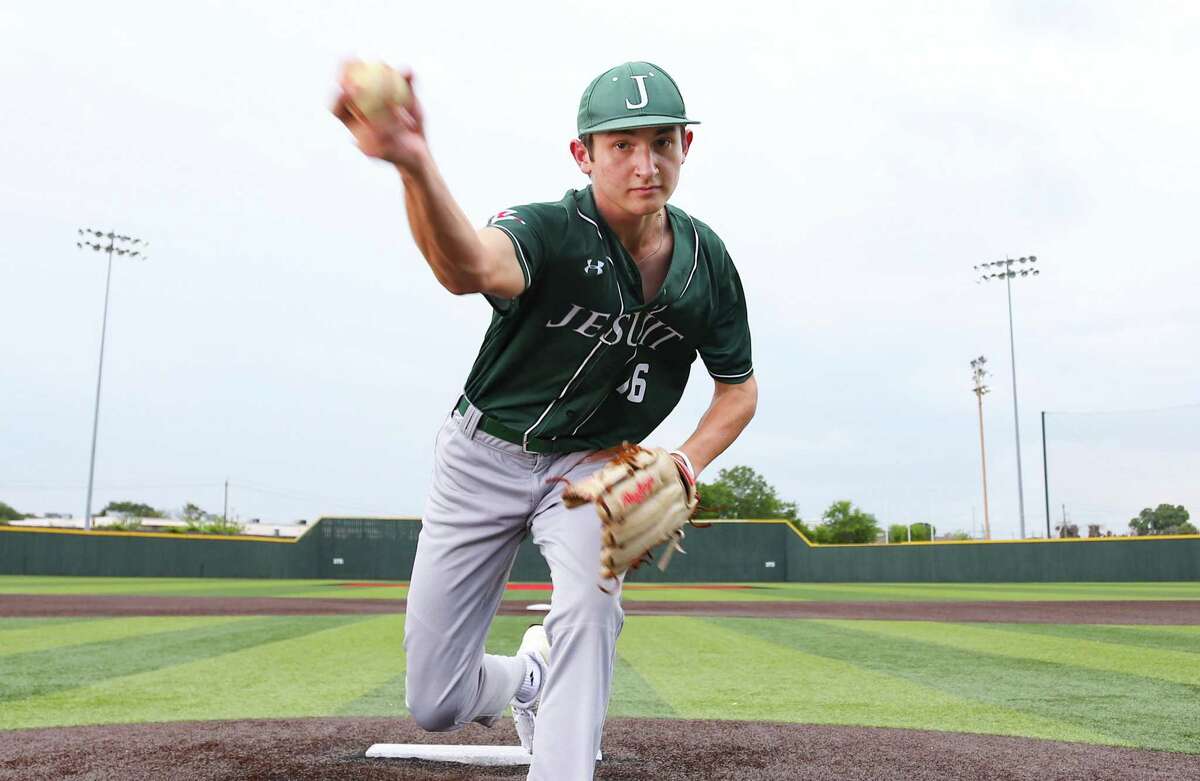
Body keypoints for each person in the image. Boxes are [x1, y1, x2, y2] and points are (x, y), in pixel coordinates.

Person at [333, 60, 757, 781]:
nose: (645, 164)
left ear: (686, 145)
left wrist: (685, 461)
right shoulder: (551, 229)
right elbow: (468, 267)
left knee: (590, 608)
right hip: (483, 456)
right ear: (582, 154)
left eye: (661, 142)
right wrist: (413, 163)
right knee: (436, 699)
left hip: (591, 469)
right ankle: (529, 675)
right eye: (621, 145)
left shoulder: (706, 263)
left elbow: (738, 391)